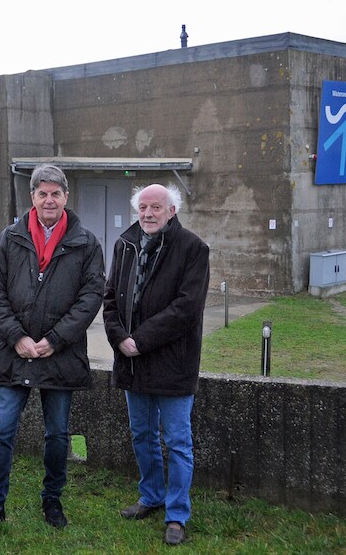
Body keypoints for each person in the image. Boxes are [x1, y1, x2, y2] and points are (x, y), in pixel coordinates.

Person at [0, 163, 105, 536]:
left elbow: (91, 297)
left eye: (56, 193)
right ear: (33, 197)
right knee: (2, 432)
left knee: (57, 435)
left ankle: (52, 499)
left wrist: (55, 340)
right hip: (15, 353)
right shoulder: (9, 238)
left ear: (66, 197)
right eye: (42, 193)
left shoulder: (86, 242)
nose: (49, 199)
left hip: (61, 355)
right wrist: (16, 337)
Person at [102, 184, 210, 546]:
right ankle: (150, 496)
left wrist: (140, 340)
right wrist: (119, 338)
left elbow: (186, 308)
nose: (148, 214)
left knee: (177, 441)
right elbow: (109, 299)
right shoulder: (125, 244)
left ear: (172, 210)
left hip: (172, 363)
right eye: (143, 207)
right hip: (132, 363)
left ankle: (177, 513)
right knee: (142, 435)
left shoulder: (193, 249)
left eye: (156, 207)